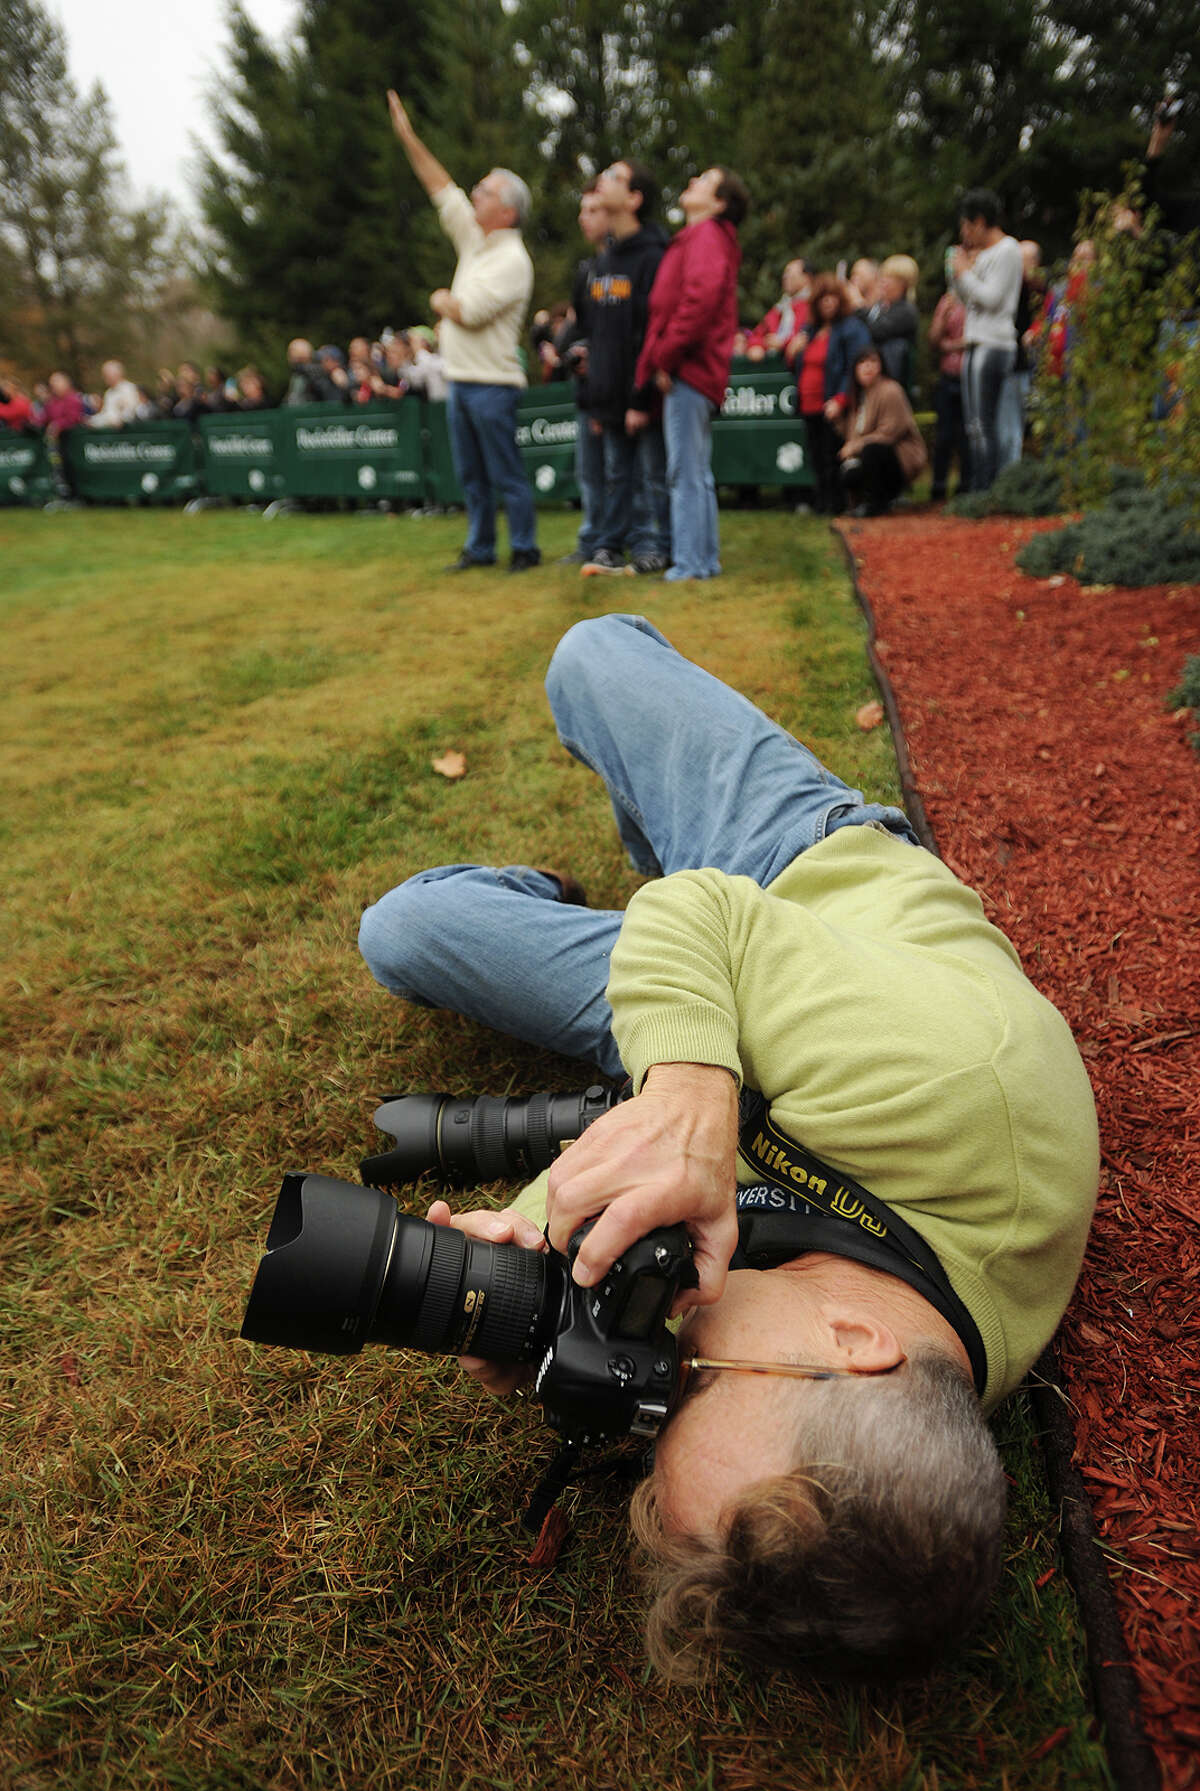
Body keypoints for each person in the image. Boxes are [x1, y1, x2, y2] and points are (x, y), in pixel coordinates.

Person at [357, 613, 1099, 1682]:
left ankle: (554, 913)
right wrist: (692, 1085)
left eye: (656, 1404)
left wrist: (534, 1237)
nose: (663, 1351)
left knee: (404, 931)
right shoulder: (956, 1083)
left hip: (748, 1042)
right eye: (696, 1376)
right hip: (800, 888)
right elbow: (701, 916)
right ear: (856, 1341)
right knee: (590, 657)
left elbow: (643, 1209)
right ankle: (638, 917)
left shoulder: (884, 1406)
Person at [386, 89, 540, 574]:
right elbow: (440, 186)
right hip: (462, 379)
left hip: (493, 385)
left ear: (508, 213)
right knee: (471, 475)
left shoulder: (514, 259)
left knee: (504, 473)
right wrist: (408, 137)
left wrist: (438, 300)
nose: (475, 194)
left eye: (486, 192)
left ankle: (524, 549)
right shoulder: (476, 237)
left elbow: (466, 311)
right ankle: (480, 549)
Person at [633, 166, 749, 582]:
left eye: (704, 180)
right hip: (695, 369)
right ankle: (704, 560)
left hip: (690, 371)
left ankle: (690, 564)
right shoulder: (706, 238)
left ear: (719, 203)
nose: (693, 182)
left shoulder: (705, 237)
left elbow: (697, 301)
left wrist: (664, 357)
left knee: (684, 472)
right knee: (696, 472)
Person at [579, 158, 671, 578]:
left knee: (653, 474)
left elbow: (648, 334)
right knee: (616, 474)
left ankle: (655, 545)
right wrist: (599, 398)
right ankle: (611, 544)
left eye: (615, 177)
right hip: (608, 393)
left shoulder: (654, 256)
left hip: (644, 393)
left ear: (634, 199)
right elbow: (599, 333)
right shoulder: (604, 259)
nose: (603, 181)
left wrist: (640, 397)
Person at [951, 189, 1023, 492]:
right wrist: (962, 272)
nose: (965, 234)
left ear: (980, 222)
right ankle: (979, 488)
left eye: (966, 227)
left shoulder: (1008, 250)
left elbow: (991, 299)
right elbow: (964, 299)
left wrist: (965, 273)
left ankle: (987, 490)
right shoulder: (981, 256)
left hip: (994, 343)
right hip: (975, 341)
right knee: (974, 426)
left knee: (984, 425)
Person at [555, 184, 612, 566]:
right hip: (587, 390)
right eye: (582, 209)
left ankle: (624, 541)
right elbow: (574, 328)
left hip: (618, 388)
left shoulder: (631, 265)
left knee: (625, 471)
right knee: (589, 471)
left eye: (592, 210)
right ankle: (592, 540)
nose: (583, 217)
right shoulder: (586, 271)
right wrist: (570, 351)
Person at [794, 274, 872, 516]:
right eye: (823, 299)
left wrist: (840, 398)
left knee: (831, 455)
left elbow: (854, 366)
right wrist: (793, 350)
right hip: (808, 402)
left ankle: (836, 503)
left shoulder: (851, 328)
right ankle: (821, 501)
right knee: (815, 455)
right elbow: (798, 364)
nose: (828, 303)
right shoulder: (809, 332)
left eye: (832, 298)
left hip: (832, 403)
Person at [836, 346, 927, 516]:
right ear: (855, 369)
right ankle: (861, 503)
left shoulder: (891, 390)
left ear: (881, 366)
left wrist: (854, 447)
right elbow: (851, 434)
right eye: (862, 362)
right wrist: (836, 418)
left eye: (873, 361)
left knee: (873, 449)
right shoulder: (859, 396)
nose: (868, 367)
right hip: (870, 457)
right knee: (849, 473)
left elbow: (889, 434)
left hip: (900, 459)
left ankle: (876, 505)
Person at [995, 241, 1043, 472]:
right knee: (1008, 427)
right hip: (1011, 365)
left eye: (1022, 259)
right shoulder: (1009, 288)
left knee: (1022, 427)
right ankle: (1009, 477)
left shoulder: (1039, 290)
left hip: (1033, 368)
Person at [927, 286, 971, 500]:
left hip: (969, 377)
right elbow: (934, 340)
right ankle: (938, 485)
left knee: (967, 434)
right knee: (943, 434)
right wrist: (944, 314)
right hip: (947, 376)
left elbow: (974, 340)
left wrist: (951, 345)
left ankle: (966, 485)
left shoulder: (977, 300)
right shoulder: (948, 300)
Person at [865, 255, 919, 390]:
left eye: (890, 278)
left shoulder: (906, 311)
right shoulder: (881, 307)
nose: (884, 282)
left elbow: (876, 330)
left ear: (904, 284)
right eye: (883, 276)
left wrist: (857, 305)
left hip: (894, 386)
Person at [744, 259, 811, 363]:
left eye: (790, 275)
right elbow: (758, 333)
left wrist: (783, 344)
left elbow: (812, 339)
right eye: (785, 275)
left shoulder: (813, 306)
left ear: (807, 277)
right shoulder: (782, 307)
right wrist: (756, 346)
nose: (785, 278)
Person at [87, 359, 142, 429]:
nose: (104, 378)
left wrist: (121, 419)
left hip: (128, 434)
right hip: (113, 434)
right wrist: (92, 421)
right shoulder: (109, 393)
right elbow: (106, 414)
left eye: (106, 375)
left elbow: (133, 411)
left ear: (117, 374)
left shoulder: (130, 389)